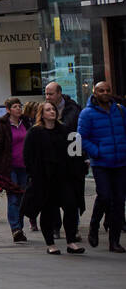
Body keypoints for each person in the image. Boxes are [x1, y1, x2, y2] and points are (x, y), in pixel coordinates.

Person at [22, 101, 86, 254]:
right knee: (49, 210)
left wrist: (80, 166)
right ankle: (50, 243)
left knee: (71, 206)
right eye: (48, 110)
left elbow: (75, 151)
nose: (52, 112)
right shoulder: (35, 132)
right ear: (41, 114)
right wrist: (34, 175)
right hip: (45, 178)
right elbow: (28, 156)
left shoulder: (64, 130)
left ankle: (71, 241)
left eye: (53, 109)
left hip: (64, 177)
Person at [78, 80, 126, 252]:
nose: (105, 93)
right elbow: (81, 138)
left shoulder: (120, 110)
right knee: (104, 196)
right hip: (101, 163)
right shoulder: (87, 113)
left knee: (119, 202)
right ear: (94, 93)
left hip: (120, 162)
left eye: (107, 90)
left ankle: (114, 240)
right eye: (101, 90)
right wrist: (96, 152)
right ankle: (94, 225)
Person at [0, 97, 32, 243]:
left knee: (22, 197)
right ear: (8, 109)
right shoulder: (3, 123)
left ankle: (20, 227)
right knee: (13, 197)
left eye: (20, 106)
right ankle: (16, 228)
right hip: (9, 166)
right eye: (15, 106)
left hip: (25, 166)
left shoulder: (26, 122)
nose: (19, 109)